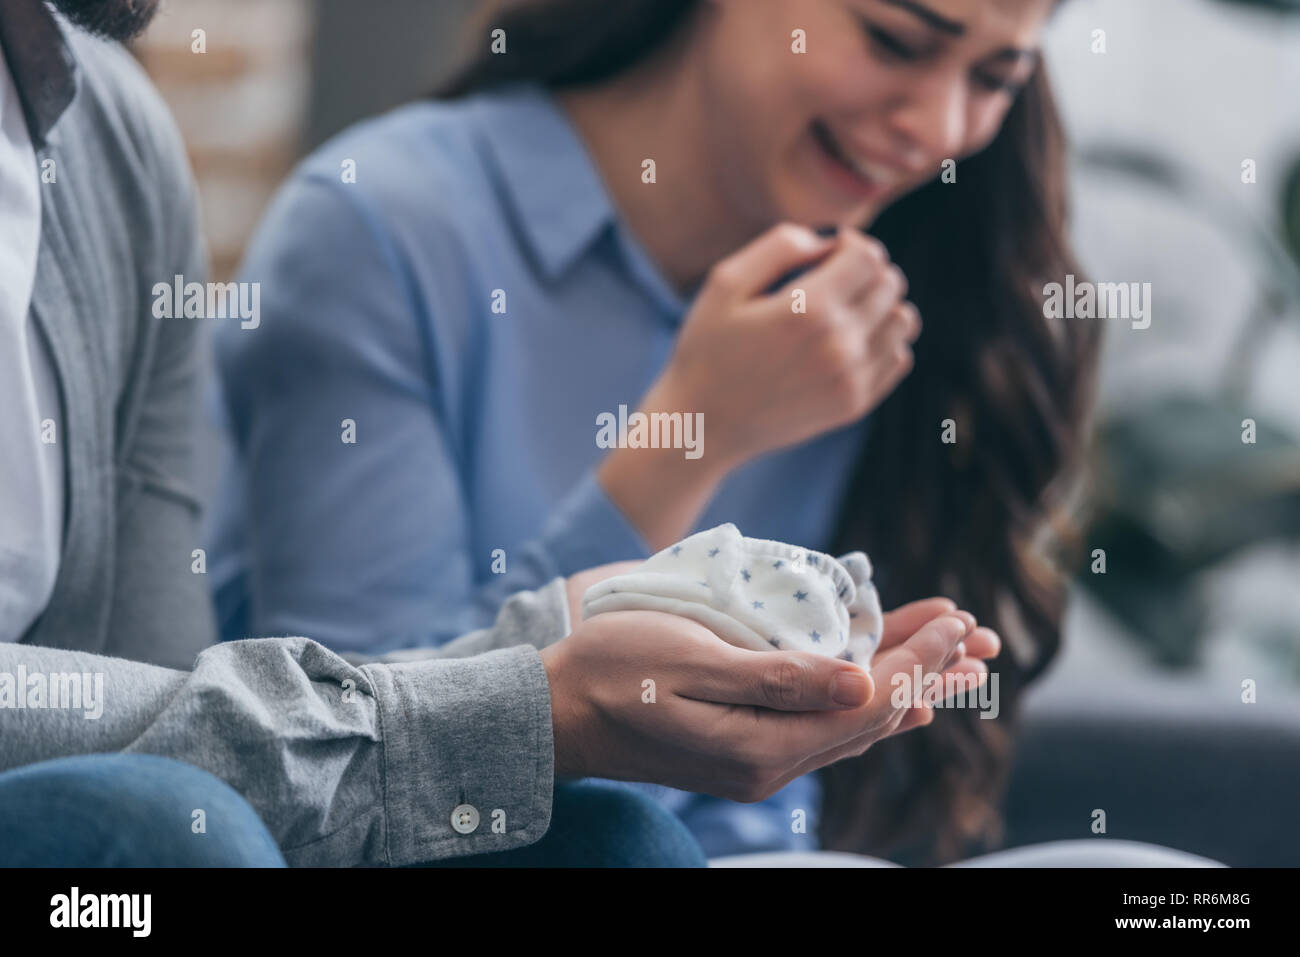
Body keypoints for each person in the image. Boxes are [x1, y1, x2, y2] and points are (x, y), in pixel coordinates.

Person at [0, 0, 997, 867]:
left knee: (620, 843)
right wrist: (685, 450)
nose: (940, 125)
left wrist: (573, 656)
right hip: (216, 828)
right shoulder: (383, 223)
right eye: (894, 36)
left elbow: (181, 704)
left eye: (997, 76)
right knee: (160, 830)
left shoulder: (112, 139)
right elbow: (343, 752)